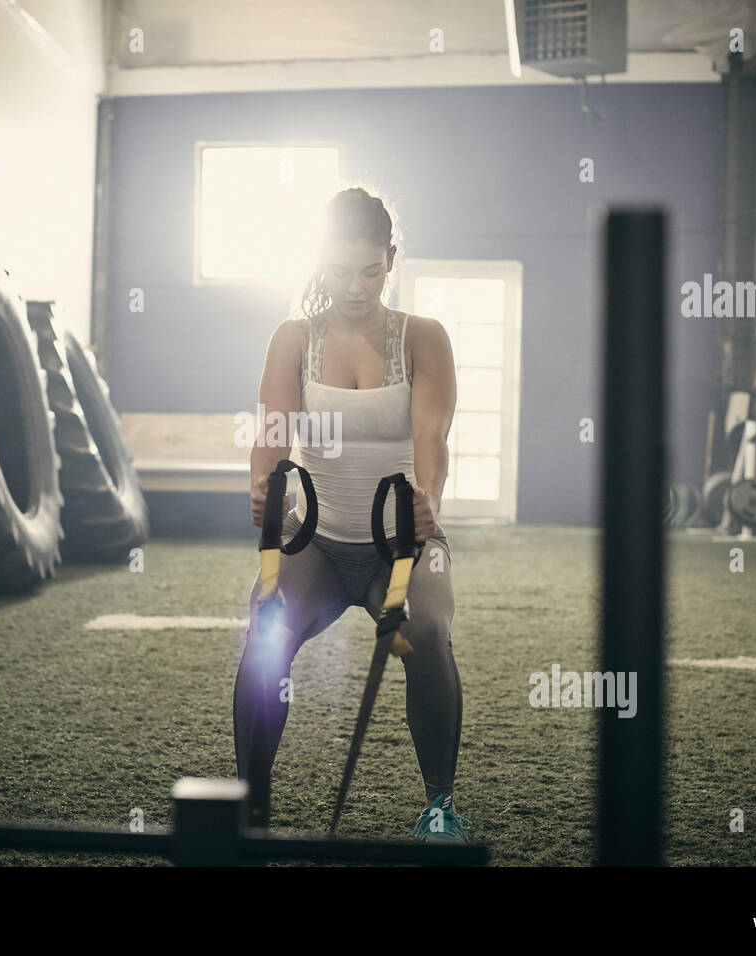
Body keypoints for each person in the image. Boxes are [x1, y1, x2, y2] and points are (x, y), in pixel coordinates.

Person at [236, 186, 469, 841]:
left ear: (392, 258)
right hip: (320, 545)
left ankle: (440, 806)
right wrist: (263, 488)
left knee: (424, 629)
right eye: (341, 271)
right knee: (265, 628)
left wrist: (428, 497)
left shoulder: (423, 338)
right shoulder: (293, 338)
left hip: (404, 541)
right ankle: (251, 807)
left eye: (371, 270)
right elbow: (272, 435)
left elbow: (432, 437)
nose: (357, 286)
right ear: (320, 262)